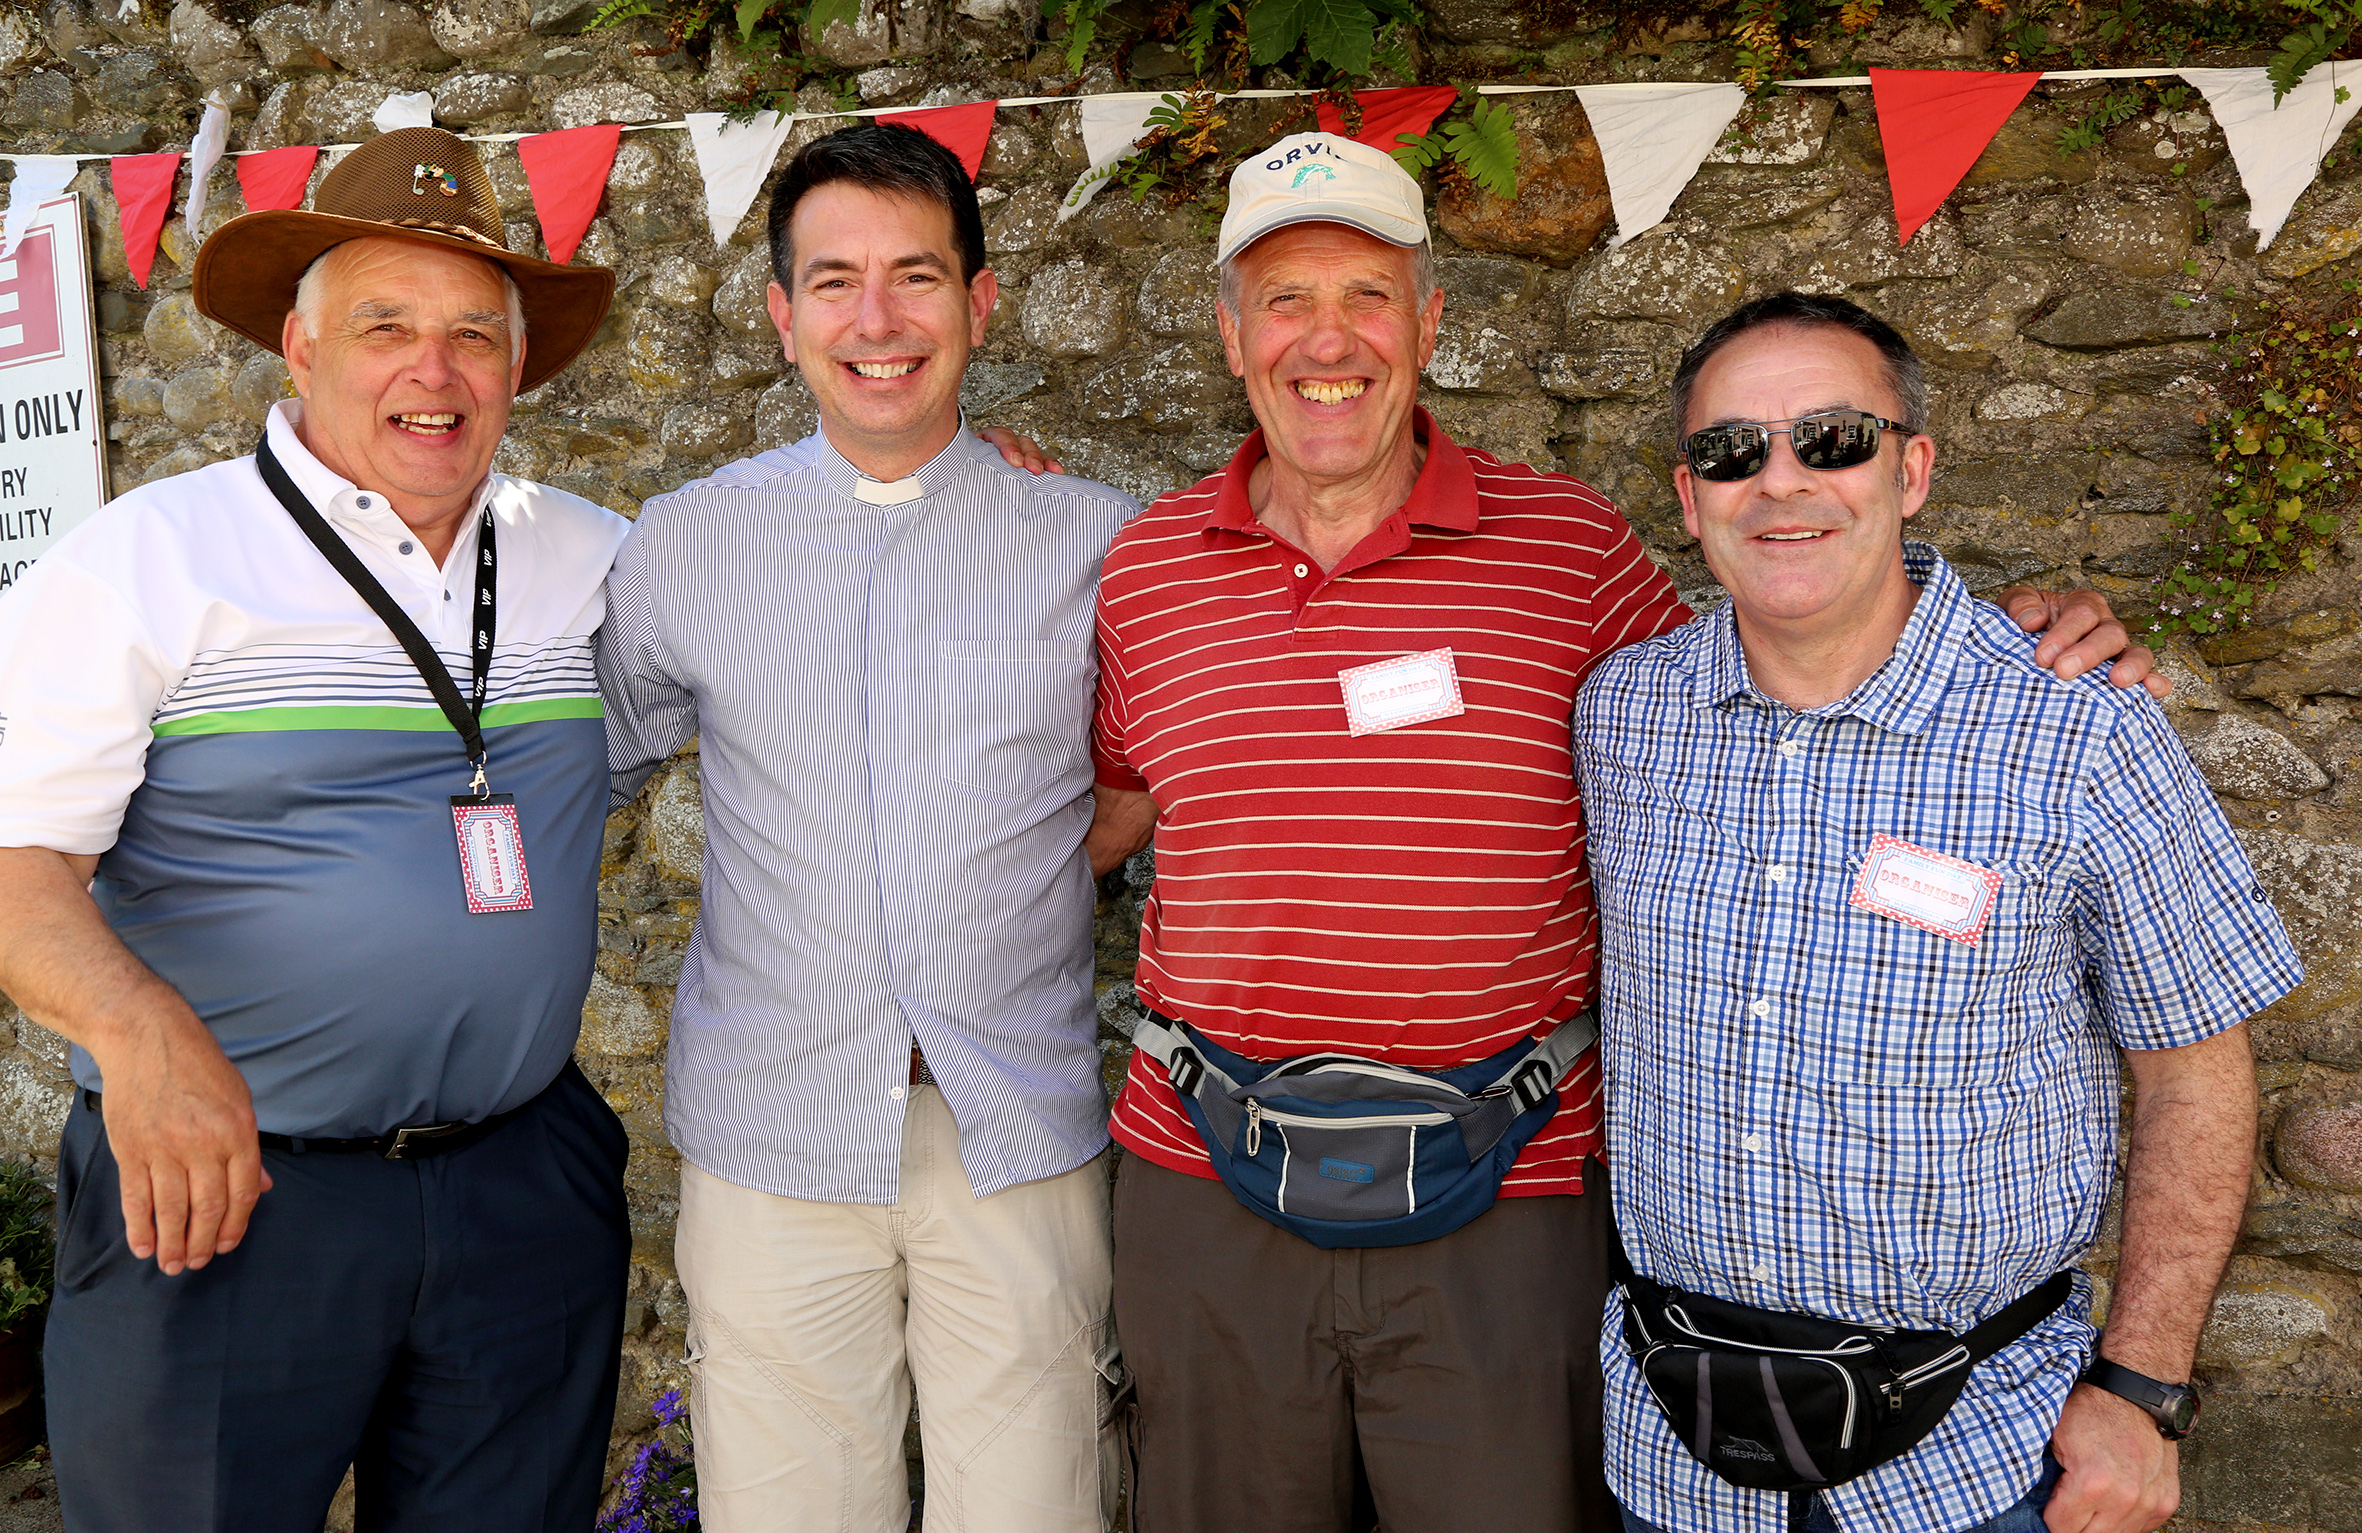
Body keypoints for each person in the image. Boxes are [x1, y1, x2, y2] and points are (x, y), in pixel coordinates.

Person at [1085, 135, 2163, 1533]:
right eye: (1283, 299)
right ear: (1229, 334)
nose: (1325, 339)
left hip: (1505, 1188)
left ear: (1429, 323)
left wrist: (2009, 629)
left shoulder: (1569, 552)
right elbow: (1106, 810)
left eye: (1366, 293)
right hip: (1204, 1175)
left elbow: (1779, 670)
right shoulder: (1144, 563)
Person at [1574, 291, 2297, 1533]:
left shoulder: (2079, 726)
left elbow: (2193, 1069)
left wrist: (2143, 1386)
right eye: (1732, 453)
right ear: (1689, 499)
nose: (1782, 483)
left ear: (1910, 470)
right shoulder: (1622, 717)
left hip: (1976, 1462)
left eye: (1834, 441)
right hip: (1675, 1454)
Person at [0, 127, 633, 1530]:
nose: (436, 368)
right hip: (225, 1195)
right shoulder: (145, 562)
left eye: (476, 332)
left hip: (522, 1182)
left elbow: (801, 593)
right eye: (386, 326)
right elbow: (16, 871)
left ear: (521, 365)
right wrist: (138, 1035)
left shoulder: (594, 559)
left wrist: (946, 470)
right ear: (297, 349)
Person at [599, 122, 1138, 1533]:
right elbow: (579, 764)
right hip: (772, 1126)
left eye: (915, 275)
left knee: (1035, 1507)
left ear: (981, 300)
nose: (877, 320)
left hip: (1011, 1123)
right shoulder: (682, 545)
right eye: (833, 282)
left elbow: (1155, 768)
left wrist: (1026, 864)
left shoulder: (1092, 538)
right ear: (782, 317)